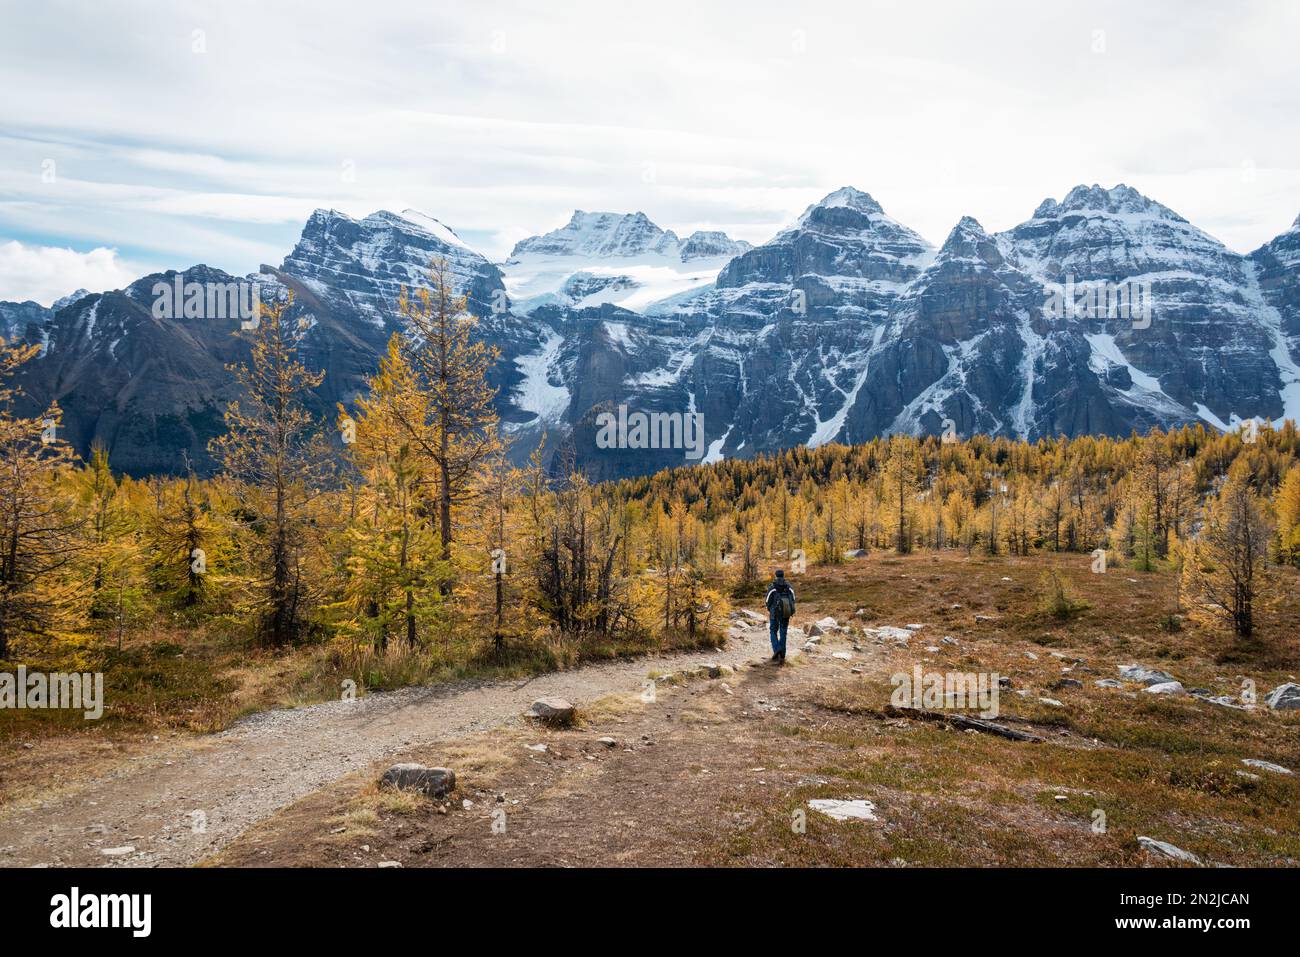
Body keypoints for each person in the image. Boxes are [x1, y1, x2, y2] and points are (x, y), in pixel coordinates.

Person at [764, 569, 796, 664]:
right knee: (783, 632)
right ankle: (782, 655)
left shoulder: (772, 586)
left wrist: (769, 609)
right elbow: (793, 599)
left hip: (775, 612)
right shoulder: (789, 586)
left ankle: (777, 648)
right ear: (783, 575)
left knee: (773, 630)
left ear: (776, 576)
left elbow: (767, 601)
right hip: (786, 612)